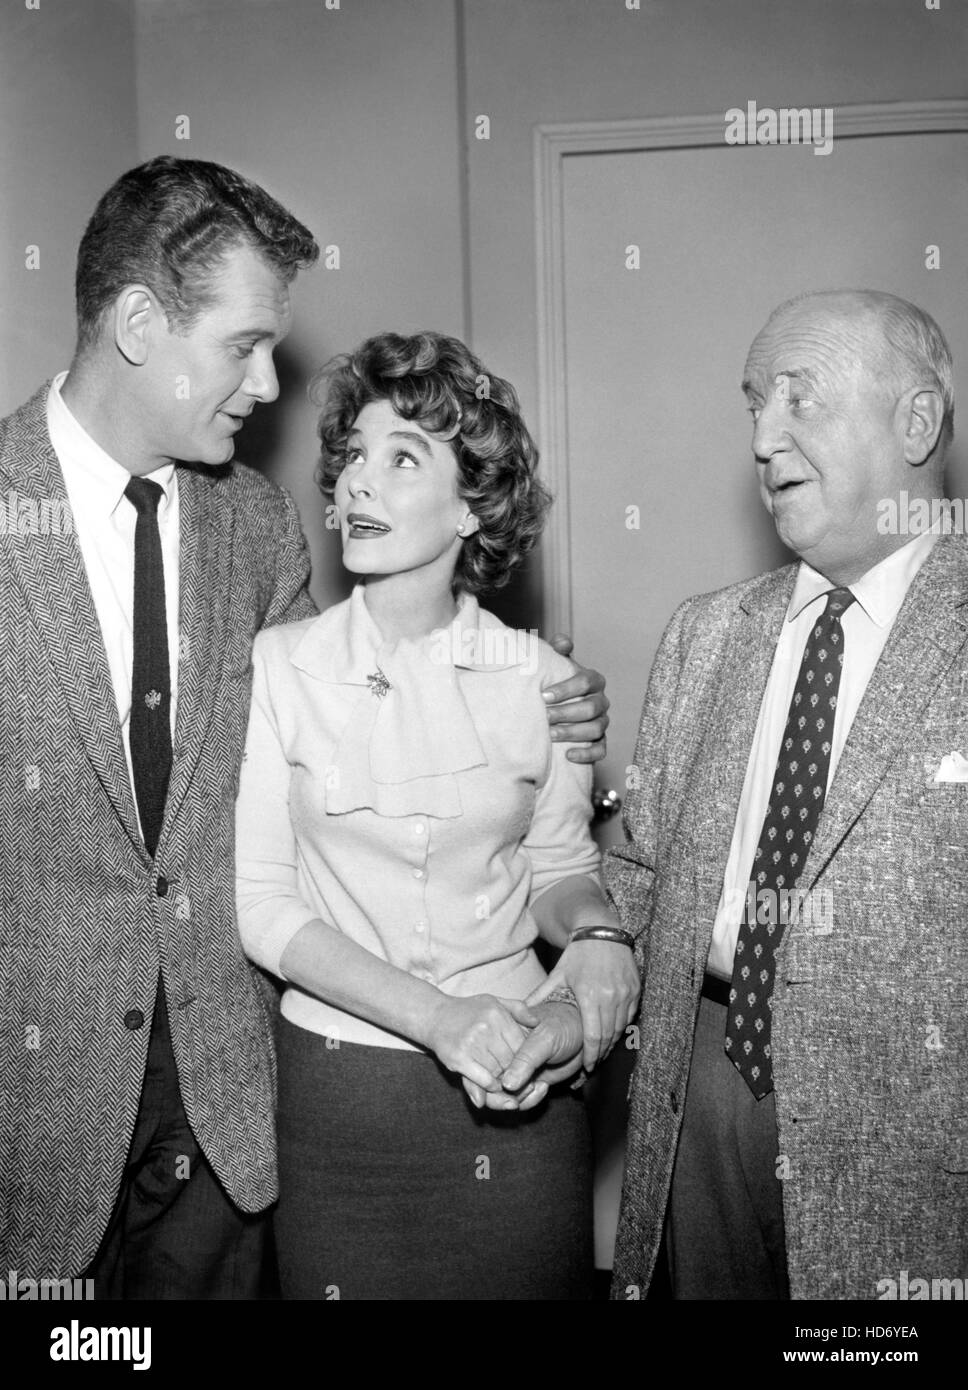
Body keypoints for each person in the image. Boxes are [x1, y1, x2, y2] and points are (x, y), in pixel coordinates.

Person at [0, 158, 609, 1300]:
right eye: (243, 344)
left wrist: (550, 705)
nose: (271, 385)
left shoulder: (255, 521)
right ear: (139, 323)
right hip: (30, 1114)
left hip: (233, 1118)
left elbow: (352, 707)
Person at [235, 331, 640, 1300]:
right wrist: (438, 1020)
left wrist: (594, 933)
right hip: (340, 1107)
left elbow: (557, 875)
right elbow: (263, 905)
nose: (357, 487)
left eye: (401, 457)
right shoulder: (279, 665)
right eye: (351, 460)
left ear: (470, 505)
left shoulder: (541, 681)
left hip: (517, 1091)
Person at [610, 289, 967, 1302]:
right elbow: (635, 868)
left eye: (798, 400)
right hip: (703, 1086)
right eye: (754, 402)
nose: (763, 438)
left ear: (915, 422)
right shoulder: (704, 634)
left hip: (914, 1131)